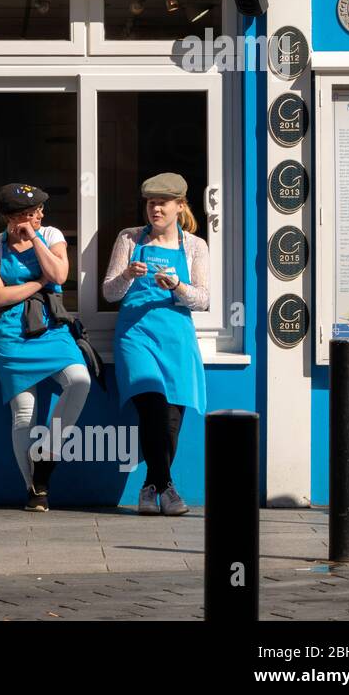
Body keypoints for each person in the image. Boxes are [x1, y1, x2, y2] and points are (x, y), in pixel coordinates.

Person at [101, 172, 209, 516]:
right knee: (151, 405)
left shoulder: (194, 246)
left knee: (171, 419)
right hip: (136, 335)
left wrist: (177, 286)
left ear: (180, 206)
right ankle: (168, 489)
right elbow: (109, 292)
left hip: (176, 340)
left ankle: (151, 488)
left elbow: (203, 300)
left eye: (163, 203)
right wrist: (127, 276)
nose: (155, 209)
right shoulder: (129, 239)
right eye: (151, 203)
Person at [0, 183, 91, 512]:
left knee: (79, 380)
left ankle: (46, 455)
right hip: (12, 335)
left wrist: (35, 239)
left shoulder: (53, 234)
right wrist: (39, 283)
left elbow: (59, 272)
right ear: (11, 218)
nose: (40, 215)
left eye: (41, 210)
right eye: (32, 213)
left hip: (52, 328)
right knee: (24, 414)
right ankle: (34, 489)